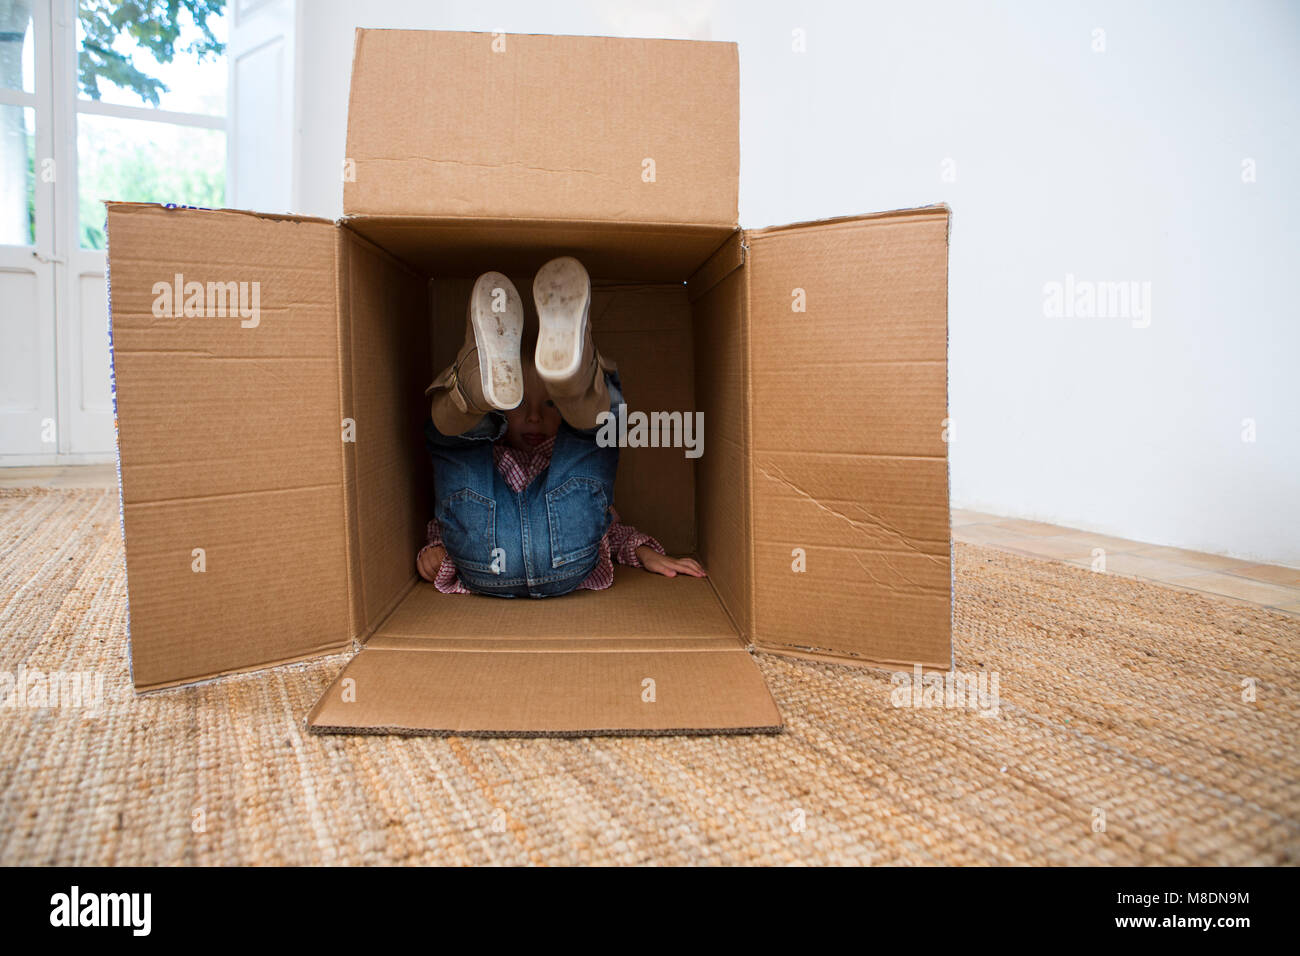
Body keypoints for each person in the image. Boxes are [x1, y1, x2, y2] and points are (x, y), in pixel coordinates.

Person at [417, 257, 706, 597]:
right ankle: (487, 392)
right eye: (519, 404)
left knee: (571, 450)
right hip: (523, 556)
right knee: (469, 451)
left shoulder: (561, 456)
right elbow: (448, 522)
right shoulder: (492, 454)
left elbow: (608, 529)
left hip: (506, 562)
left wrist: (646, 554)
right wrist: (433, 550)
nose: (535, 417)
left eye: (550, 405)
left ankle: (569, 388)